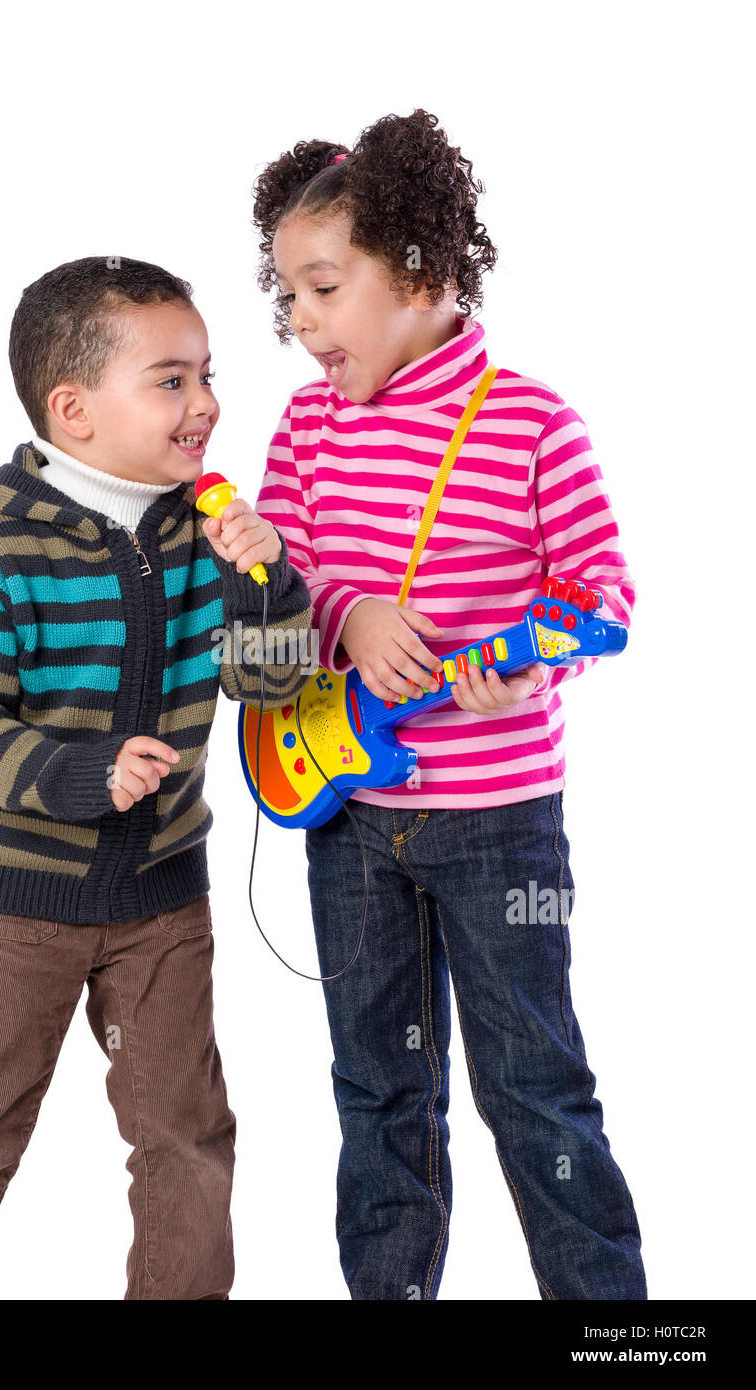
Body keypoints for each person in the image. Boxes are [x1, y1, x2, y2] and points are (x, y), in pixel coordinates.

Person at [0, 255, 314, 1301]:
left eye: (208, 375)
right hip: (14, 909)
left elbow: (269, 688)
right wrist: (74, 772)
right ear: (74, 409)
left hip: (162, 903)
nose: (205, 403)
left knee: (186, 1133)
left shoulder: (208, 538)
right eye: (171, 380)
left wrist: (267, 583)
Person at [251, 111, 647, 1300]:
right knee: (377, 1090)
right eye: (286, 294)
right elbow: (278, 582)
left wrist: (532, 669)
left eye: (324, 287)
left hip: (497, 822)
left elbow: (604, 596)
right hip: (346, 814)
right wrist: (351, 613)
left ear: (420, 276)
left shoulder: (530, 423)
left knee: (533, 1086)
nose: (300, 319)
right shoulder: (304, 428)